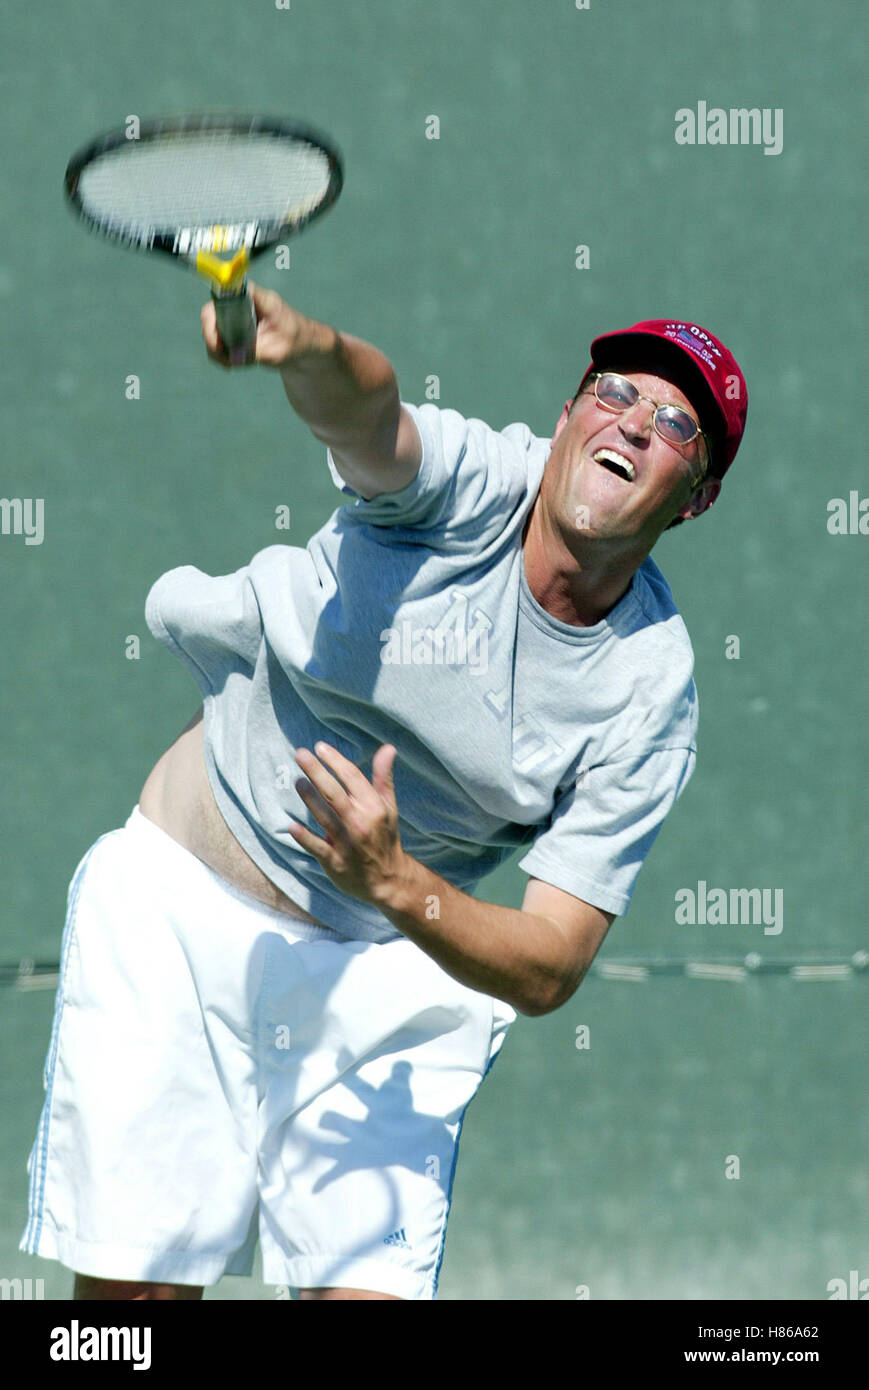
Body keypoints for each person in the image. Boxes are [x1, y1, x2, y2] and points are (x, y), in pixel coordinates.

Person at [20, 292, 747, 1301]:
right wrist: (304, 348)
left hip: (387, 974)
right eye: (612, 391)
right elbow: (369, 418)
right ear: (566, 417)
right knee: (128, 1318)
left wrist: (398, 885)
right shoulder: (470, 485)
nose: (630, 419)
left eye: (674, 424)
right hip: (175, 918)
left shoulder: (647, 693)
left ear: (695, 497)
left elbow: (548, 967)